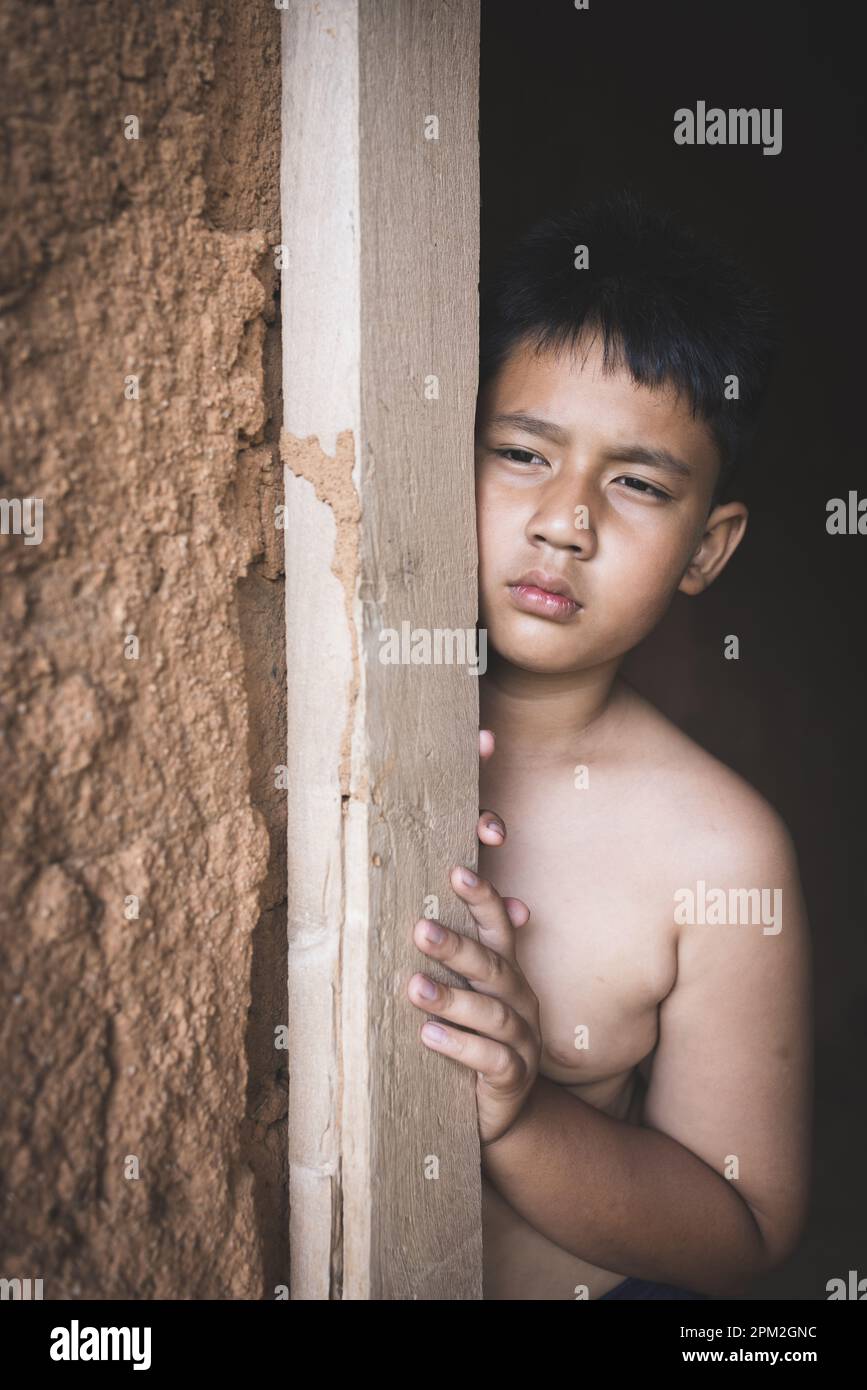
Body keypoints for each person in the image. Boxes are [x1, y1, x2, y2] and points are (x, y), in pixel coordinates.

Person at [406, 190, 813, 1300]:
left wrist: (522, 1114)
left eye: (636, 483)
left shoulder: (720, 851)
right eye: (522, 454)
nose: (565, 519)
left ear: (706, 549)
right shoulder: (311, 720)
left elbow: (745, 1221)